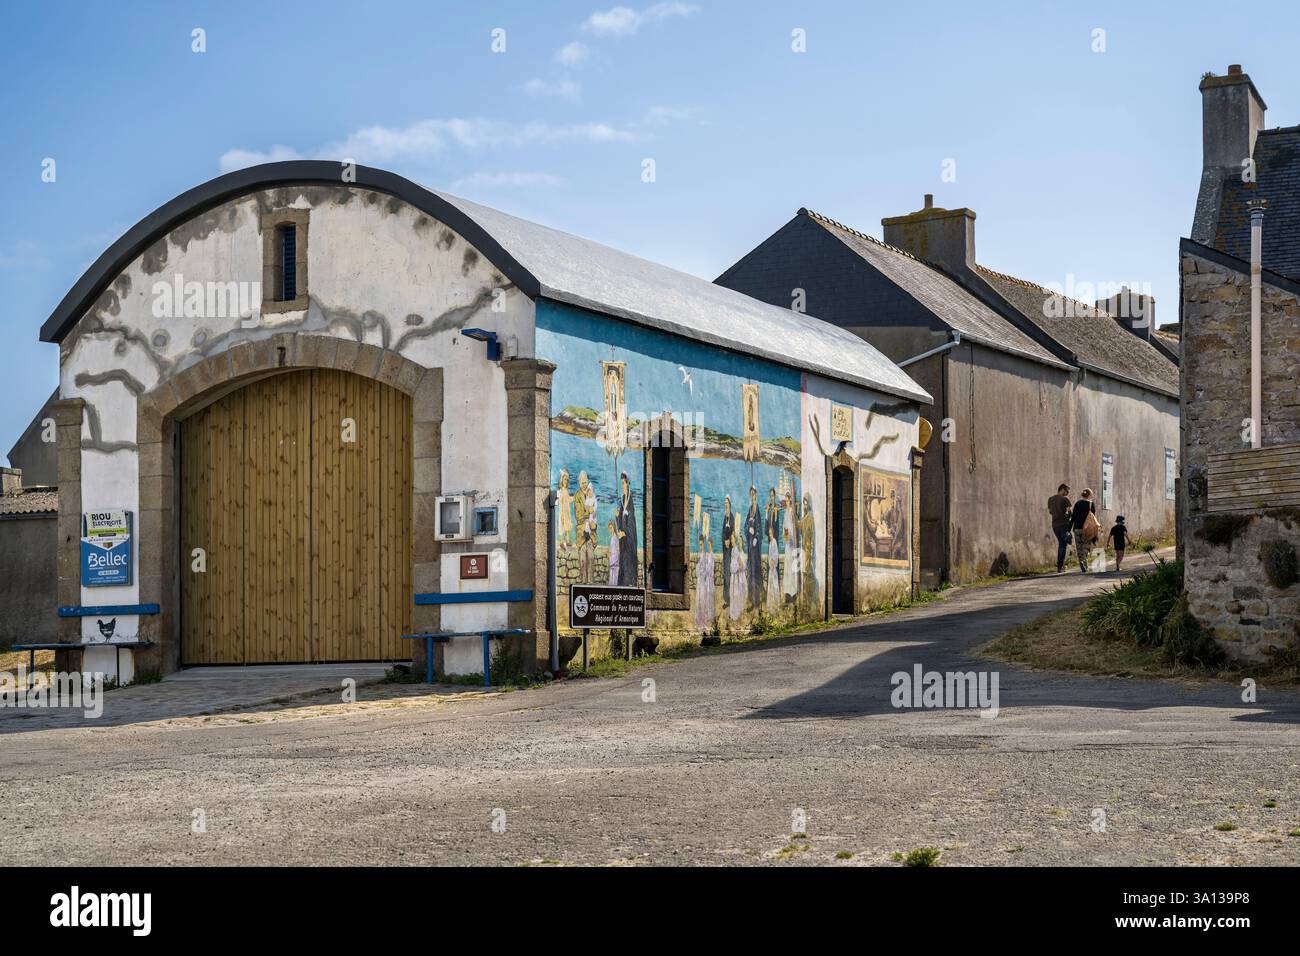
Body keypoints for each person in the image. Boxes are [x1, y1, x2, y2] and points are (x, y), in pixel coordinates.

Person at [615, 472, 638, 586]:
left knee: (628, 563)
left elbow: (631, 524)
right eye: (621, 483)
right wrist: (617, 516)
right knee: (623, 562)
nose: (622, 486)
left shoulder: (630, 500)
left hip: (629, 541)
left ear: (627, 484)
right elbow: (621, 521)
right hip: (623, 541)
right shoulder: (623, 499)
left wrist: (625, 533)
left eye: (624, 483)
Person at [574, 471, 597, 581]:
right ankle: (582, 584)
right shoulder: (577, 496)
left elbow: (595, 511)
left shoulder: (591, 493)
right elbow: (579, 515)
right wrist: (589, 511)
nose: (584, 484)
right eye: (582, 482)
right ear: (579, 483)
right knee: (582, 560)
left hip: (591, 533)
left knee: (591, 558)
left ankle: (590, 584)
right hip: (581, 533)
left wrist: (592, 518)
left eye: (585, 482)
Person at [745, 487, 763, 609]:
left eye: (753, 494)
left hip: (756, 549)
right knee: (750, 572)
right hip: (750, 548)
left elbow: (760, 527)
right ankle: (751, 598)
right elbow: (745, 525)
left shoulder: (757, 510)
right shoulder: (750, 509)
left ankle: (758, 599)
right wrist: (748, 529)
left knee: (756, 572)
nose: (752, 496)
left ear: (756, 495)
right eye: (750, 494)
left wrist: (756, 536)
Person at [1047, 483, 1072, 573]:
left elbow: (1050, 512)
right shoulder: (1065, 499)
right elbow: (1069, 512)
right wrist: (1066, 515)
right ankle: (1060, 566)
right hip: (1064, 524)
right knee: (1063, 545)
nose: (1067, 493)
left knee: (1061, 543)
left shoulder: (1050, 499)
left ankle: (1060, 565)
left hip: (1055, 525)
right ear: (1062, 489)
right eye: (1067, 491)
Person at [1070, 488, 1097, 573]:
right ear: (1089, 495)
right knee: (1086, 546)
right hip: (1087, 529)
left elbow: (1073, 517)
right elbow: (1093, 518)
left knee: (1079, 547)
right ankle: (1084, 562)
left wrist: (1068, 529)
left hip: (1077, 528)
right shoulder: (1091, 504)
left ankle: (1082, 562)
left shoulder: (1077, 504)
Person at [695, 533, 716, 632]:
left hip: (704, 581)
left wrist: (701, 572)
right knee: (700, 600)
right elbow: (699, 567)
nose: (701, 546)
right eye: (700, 545)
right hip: (701, 581)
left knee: (704, 600)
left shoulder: (707, 556)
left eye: (702, 544)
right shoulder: (702, 555)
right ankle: (700, 621)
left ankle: (705, 621)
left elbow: (706, 569)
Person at [721, 496, 734, 610]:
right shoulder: (725, 518)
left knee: (729, 575)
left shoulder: (732, 517)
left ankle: (730, 599)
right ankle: (726, 598)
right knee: (725, 574)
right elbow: (722, 533)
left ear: (730, 504)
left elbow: (733, 532)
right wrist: (724, 541)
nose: (726, 505)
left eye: (727, 503)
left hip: (730, 551)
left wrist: (729, 540)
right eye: (724, 503)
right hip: (725, 551)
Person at [556, 470, 574, 550]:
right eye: (564, 479)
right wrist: (562, 515)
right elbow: (561, 503)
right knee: (562, 529)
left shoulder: (566, 490)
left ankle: (567, 541)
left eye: (567, 480)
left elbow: (568, 500)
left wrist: (573, 498)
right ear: (561, 480)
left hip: (567, 513)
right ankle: (561, 542)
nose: (566, 481)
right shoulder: (561, 491)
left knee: (567, 528)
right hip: (563, 513)